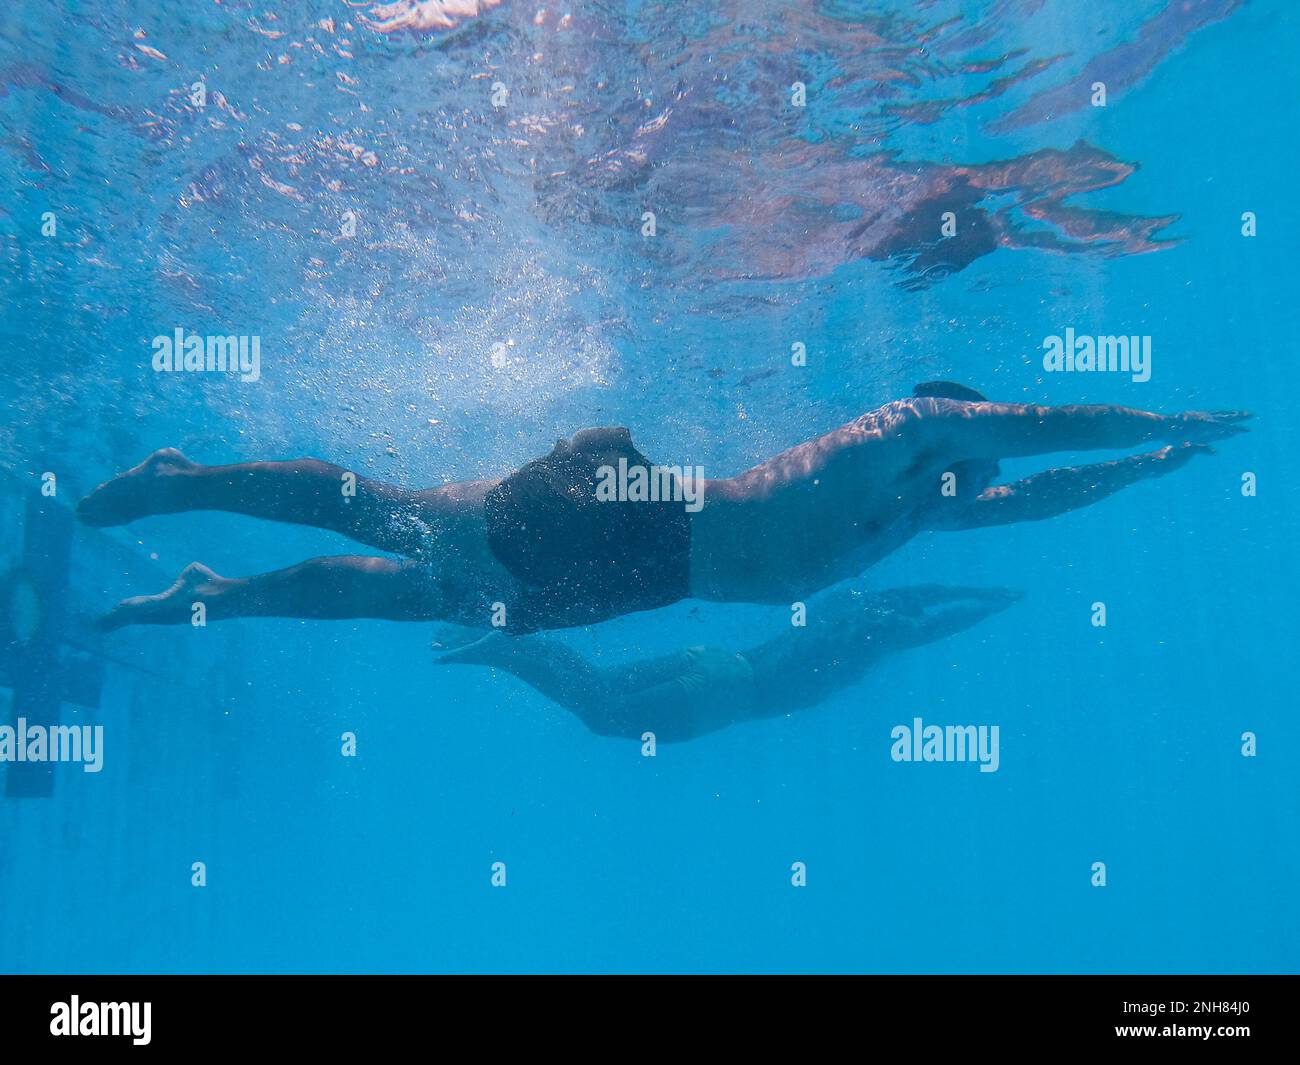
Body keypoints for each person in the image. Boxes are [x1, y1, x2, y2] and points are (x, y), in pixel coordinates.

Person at [77, 383, 1247, 633]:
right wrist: (1164, 423)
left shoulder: (924, 509)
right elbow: (1042, 432)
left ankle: (213, 597)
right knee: (386, 518)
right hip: (630, 509)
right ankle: (181, 482)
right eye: (976, 459)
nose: (985, 485)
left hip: (653, 581)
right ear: (955, 425)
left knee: (419, 594)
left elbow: (1039, 494)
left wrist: (1139, 478)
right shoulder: (905, 437)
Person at [434, 585, 1022, 743]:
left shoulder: (849, 604)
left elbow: (919, 596)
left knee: (598, 683)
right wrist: (989, 608)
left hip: (717, 660)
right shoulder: (874, 637)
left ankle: (504, 638)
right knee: (601, 715)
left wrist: (969, 589)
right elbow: (927, 624)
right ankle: (500, 655)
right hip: (726, 697)